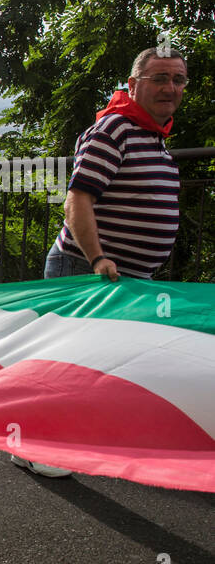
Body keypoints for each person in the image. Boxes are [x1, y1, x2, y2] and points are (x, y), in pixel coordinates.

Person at [13, 45, 188, 478]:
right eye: (159, 78)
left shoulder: (153, 135)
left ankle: (78, 440)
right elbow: (78, 198)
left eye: (178, 79)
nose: (170, 87)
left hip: (128, 279)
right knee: (63, 363)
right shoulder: (116, 129)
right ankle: (31, 446)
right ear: (133, 85)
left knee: (104, 363)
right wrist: (97, 258)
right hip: (87, 270)